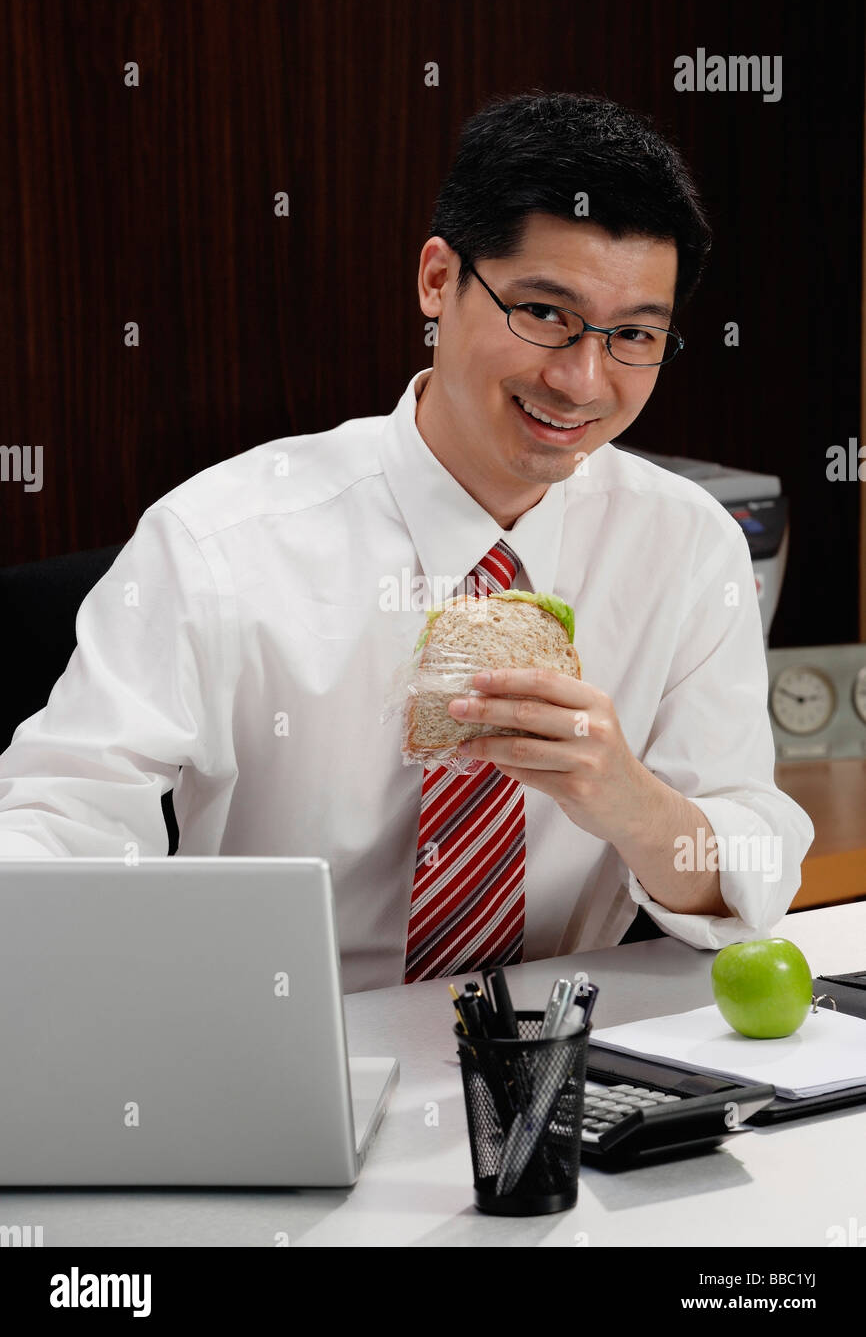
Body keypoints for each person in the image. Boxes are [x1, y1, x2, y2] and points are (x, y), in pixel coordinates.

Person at [0, 91, 813, 991]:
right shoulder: (217, 541)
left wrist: (631, 801)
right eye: (544, 313)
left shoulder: (687, 543)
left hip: (557, 1061)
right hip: (293, 1051)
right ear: (438, 279)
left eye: (633, 336)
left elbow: (754, 857)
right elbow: (57, 819)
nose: (582, 380)